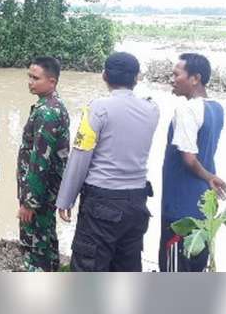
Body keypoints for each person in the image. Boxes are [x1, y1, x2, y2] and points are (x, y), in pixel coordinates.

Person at [56, 52, 160, 272]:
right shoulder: (152, 110)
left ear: (104, 75)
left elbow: (80, 157)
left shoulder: (98, 109)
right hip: (137, 202)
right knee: (127, 266)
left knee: (88, 267)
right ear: (136, 78)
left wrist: (66, 199)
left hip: (102, 203)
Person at [159, 53, 226, 272]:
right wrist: (209, 177)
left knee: (174, 270)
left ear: (195, 78)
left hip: (181, 207)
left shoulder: (186, 110)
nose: (172, 79)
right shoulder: (216, 108)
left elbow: (189, 158)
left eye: (176, 74)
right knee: (196, 266)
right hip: (203, 204)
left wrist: (209, 176)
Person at [17, 57, 70, 272]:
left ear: (52, 81)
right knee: (46, 241)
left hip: (39, 195)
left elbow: (40, 160)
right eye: (29, 76)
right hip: (47, 194)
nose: (30, 82)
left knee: (35, 246)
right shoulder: (53, 107)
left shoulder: (47, 113)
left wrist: (29, 202)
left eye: (35, 78)